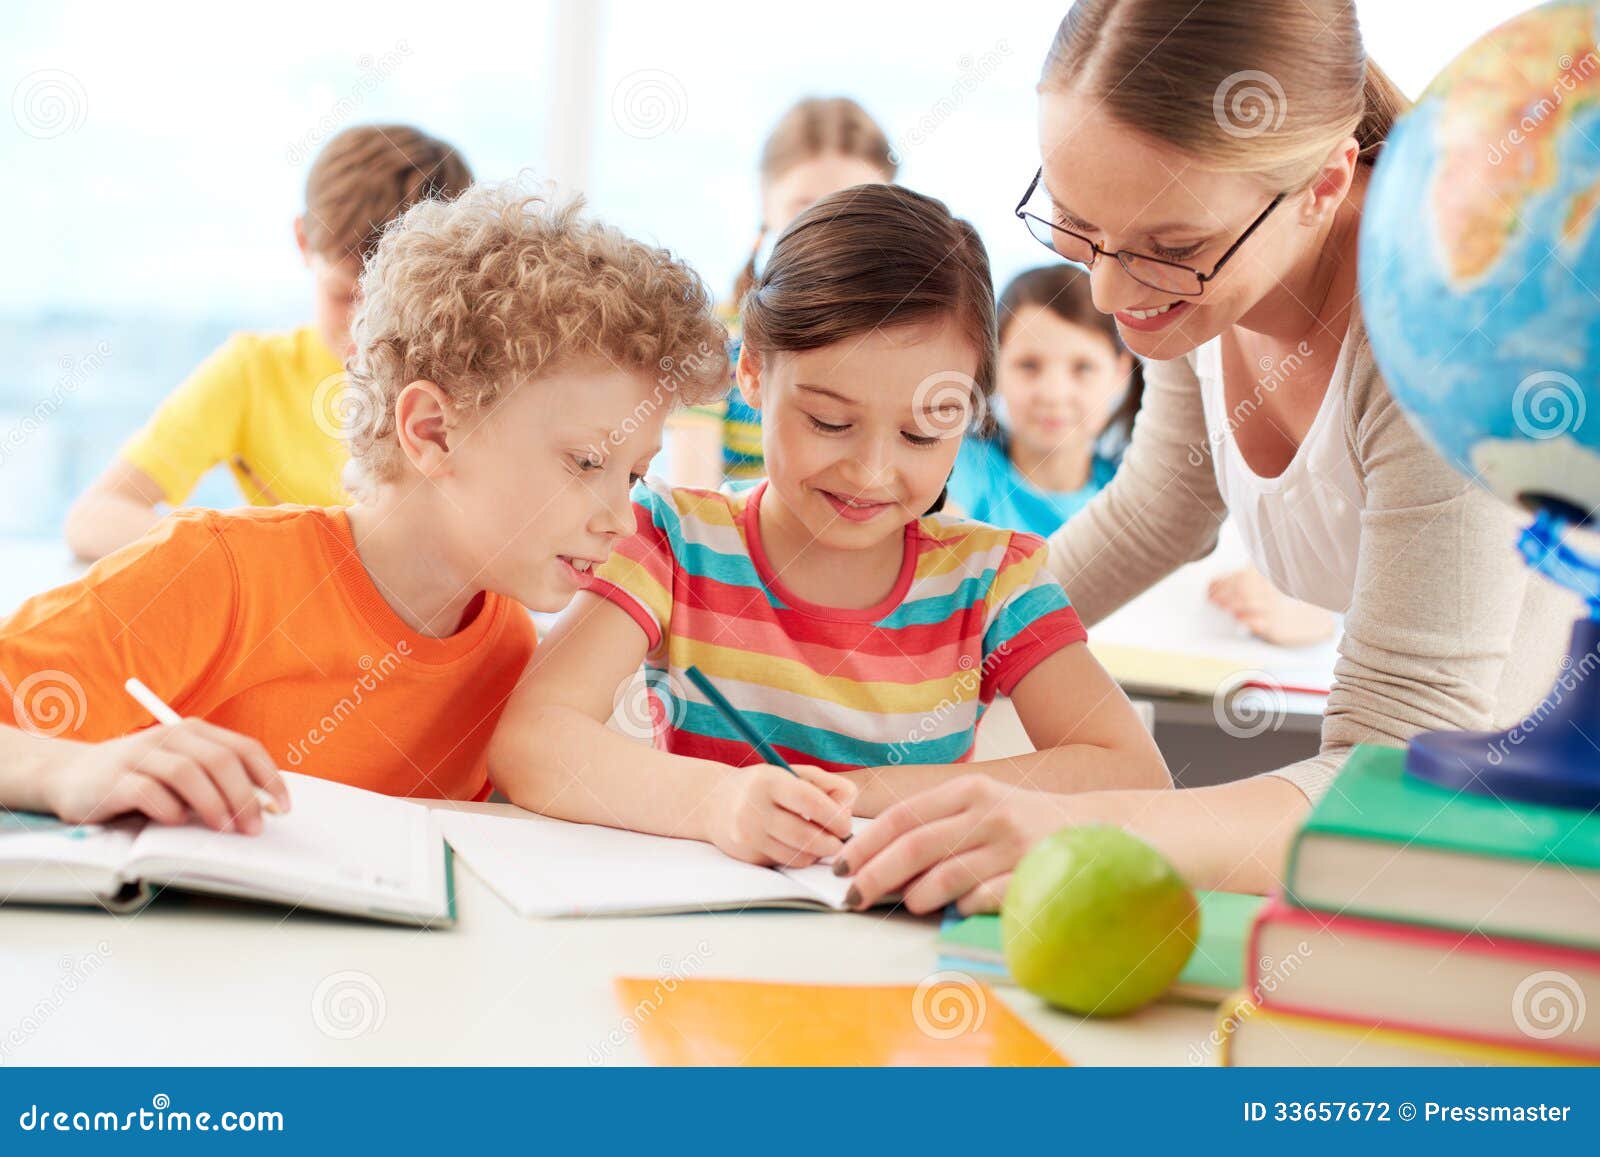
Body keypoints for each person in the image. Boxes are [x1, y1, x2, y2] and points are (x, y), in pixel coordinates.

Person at [838, 0, 1575, 907]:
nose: (1108, 289)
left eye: (1170, 247)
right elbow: (1159, 508)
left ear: (1323, 183)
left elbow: (1396, 777)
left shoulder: (1447, 318)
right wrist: (912, 661)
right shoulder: (1199, 277)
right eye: (1077, 227)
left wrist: (1078, 824)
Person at [0, 183, 727, 830]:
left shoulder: (507, 652)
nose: (622, 518)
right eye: (588, 463)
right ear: (433, 432)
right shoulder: (215, 574)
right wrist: (68, 770)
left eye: (633, 475)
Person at [490, 184, 1168, 870]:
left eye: (921, 431)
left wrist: (851, 795)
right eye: (830, 423)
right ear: (752, 371)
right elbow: (531, 743)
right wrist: (720, 803)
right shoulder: (674, 540)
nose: (872, 472)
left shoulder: (992, 581)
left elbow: (1134, 775)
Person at [63, 124, 473, 561]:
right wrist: (249, 552)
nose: (365, 330)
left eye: (396, 307)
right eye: (343, 295)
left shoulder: (485, 385)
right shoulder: (254, 374)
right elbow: (94, 520)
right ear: (302, 240)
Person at [666, 96, 896, 488]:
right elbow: (692, 497)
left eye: (855, 209)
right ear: (765, 199)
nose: (829, 230)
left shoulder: (902, 343)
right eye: (806, 208)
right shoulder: (712, 340)